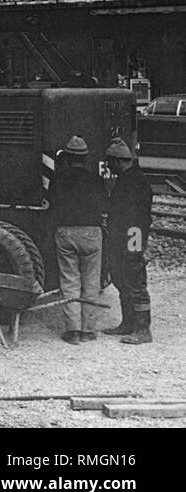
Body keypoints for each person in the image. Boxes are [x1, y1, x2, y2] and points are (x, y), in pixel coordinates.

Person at [48, 135, 107, 344]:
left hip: (66, 232)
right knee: (91, 282)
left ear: (67, 157)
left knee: (69, 280)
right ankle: (88, 330)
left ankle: (72, 331)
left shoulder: (57, 178)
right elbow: (103, 206)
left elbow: (51, 202)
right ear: (86, 157)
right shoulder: (96, 179)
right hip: (91, 231)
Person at [103, 138, 153, 344]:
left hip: (131, 237)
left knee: (134, 280)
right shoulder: (129, 179)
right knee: (122, 279)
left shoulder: (134, 181)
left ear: (117, 160)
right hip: (123, 237)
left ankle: (143, 330)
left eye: (109, 162)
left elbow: (136, 218)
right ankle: (128, 323)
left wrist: (133, 247)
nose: (108, 166)